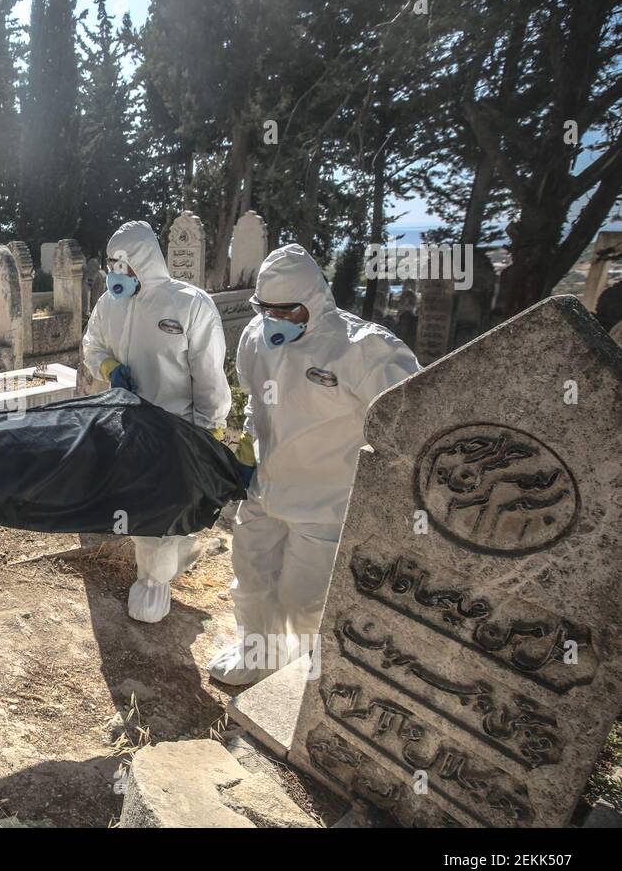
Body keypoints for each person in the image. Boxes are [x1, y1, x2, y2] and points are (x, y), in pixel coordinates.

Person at [208, 243, 421, 685]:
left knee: (305, 600)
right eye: (264, 308)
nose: (273, 320)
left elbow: (413, 425)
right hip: (265, 488)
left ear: (313, 301)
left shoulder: (364, 351)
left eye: (286, 310)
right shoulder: (255, 339)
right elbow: (255, 402)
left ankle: (309, 671)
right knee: (250, 574)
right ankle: (258, 653)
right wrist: (247, 448)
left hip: (326, 502)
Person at [82, 220, 232, 624]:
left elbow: (209, 374)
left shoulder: (189, 305)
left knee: (156, 515)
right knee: (141, 508)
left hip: (176, 428)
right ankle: (175, 554)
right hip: (126, 425)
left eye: (122, 263)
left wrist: (211, 429)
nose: (115, 271)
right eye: (111, 263)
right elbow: (91, 344)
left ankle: (153, 585)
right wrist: (109, 366)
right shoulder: (108, 304)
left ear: (143, 261)